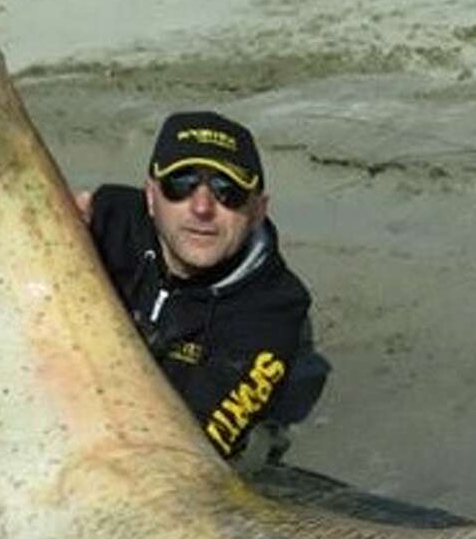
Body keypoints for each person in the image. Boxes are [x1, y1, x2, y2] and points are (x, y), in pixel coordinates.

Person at [75, 110, 328, 464]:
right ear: (150, 196)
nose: (201, 207)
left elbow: (190, 457)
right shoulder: (107, 221)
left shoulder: (272, 313)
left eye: (229, 191)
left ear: (258, 210)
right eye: (181, 183)